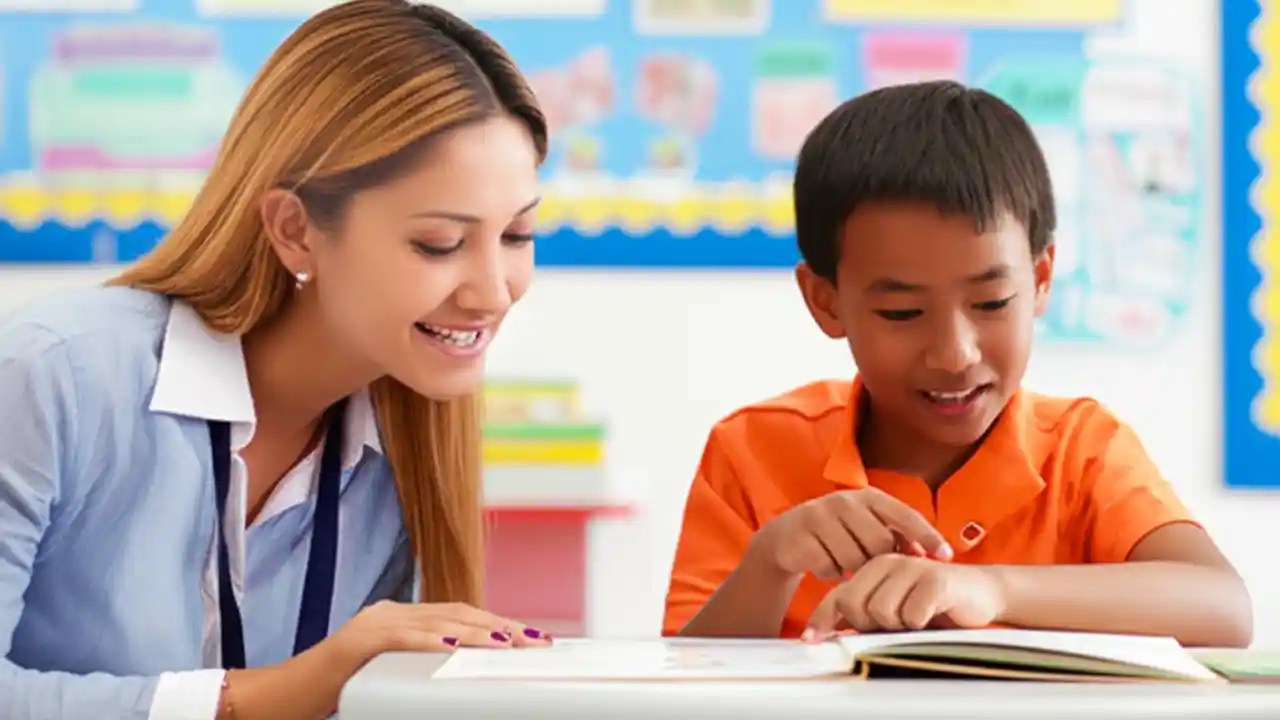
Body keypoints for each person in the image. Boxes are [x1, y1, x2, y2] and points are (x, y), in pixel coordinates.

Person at [0, 2, 553, 719]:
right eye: (440, 243)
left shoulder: (400, 447)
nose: (492, 292)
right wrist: (267, 697)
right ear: (295, 231)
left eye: (518, 234)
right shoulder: (52, 378)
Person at [662, 80, 1253, 647]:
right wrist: (769, 565)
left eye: (992, 303)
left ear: (1041, 279)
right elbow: (681, 676)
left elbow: (1222, 607)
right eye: (902, 311)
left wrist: (992, 588)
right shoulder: (753, 449)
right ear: (826, 301)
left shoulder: (1083, 450)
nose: (955, 353)